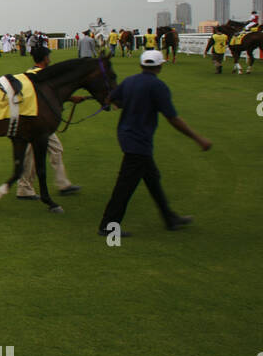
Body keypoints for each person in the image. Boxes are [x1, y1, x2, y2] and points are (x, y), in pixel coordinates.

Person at [97, 50, 210, 238]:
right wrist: (198, 138)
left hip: (126, 136)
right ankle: (108, 226)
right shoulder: (158, 86)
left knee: (152, 178)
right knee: (125, 186)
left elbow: (110, 99)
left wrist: (127, 102)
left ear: (141, 65)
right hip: (138, 141)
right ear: (160, 66)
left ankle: (169, 218)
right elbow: (173, 118)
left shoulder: (129, 81)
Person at [16, 44, 82, 200]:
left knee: (55, 149)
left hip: (36, 119)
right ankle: (24, 188)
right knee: (32, 154)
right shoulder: (42, 76)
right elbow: (50, 95)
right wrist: (71, 98)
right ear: (45, 58)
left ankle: (62, 183)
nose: (50, 59)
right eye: (48, 57)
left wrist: (71, 98)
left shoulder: (30, 74)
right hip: (36, 121)